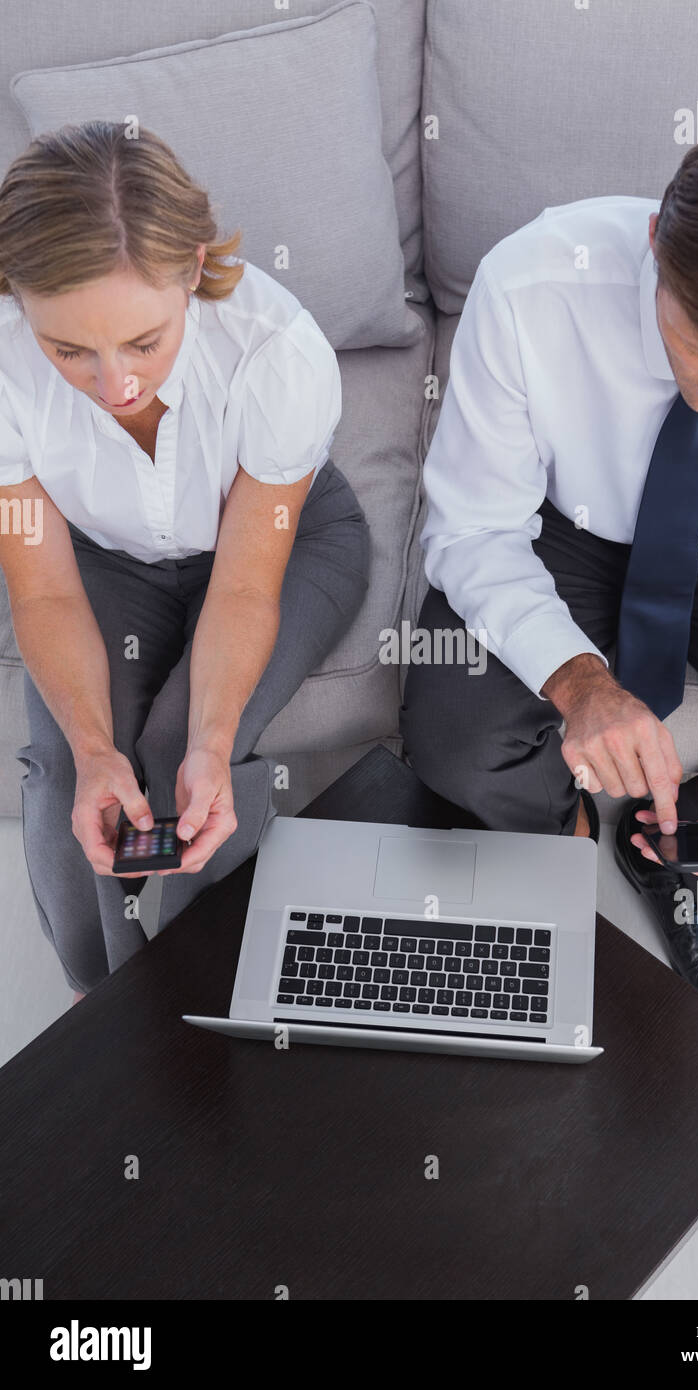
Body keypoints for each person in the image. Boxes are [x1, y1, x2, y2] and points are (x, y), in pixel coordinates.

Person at [400, 130, 698, 1019]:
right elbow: (473, 528)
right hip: (569, 529)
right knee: (452, 734)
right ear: (657, 245)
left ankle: (682, 865)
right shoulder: (530, 287)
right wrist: (578, 684)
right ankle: (560, 835)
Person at [0, 121, 369, 999]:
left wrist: (208, 739)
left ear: (195, 267)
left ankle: (224, 1014)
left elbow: (244, 583)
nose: (114, 385)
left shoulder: (275, 354)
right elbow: (44, 591)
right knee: (66, 795)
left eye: (142, 341)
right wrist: (92, 749)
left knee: (181, 756)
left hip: (279, 544)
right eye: (68, 351)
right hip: (103, 560)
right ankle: (119, 1025)